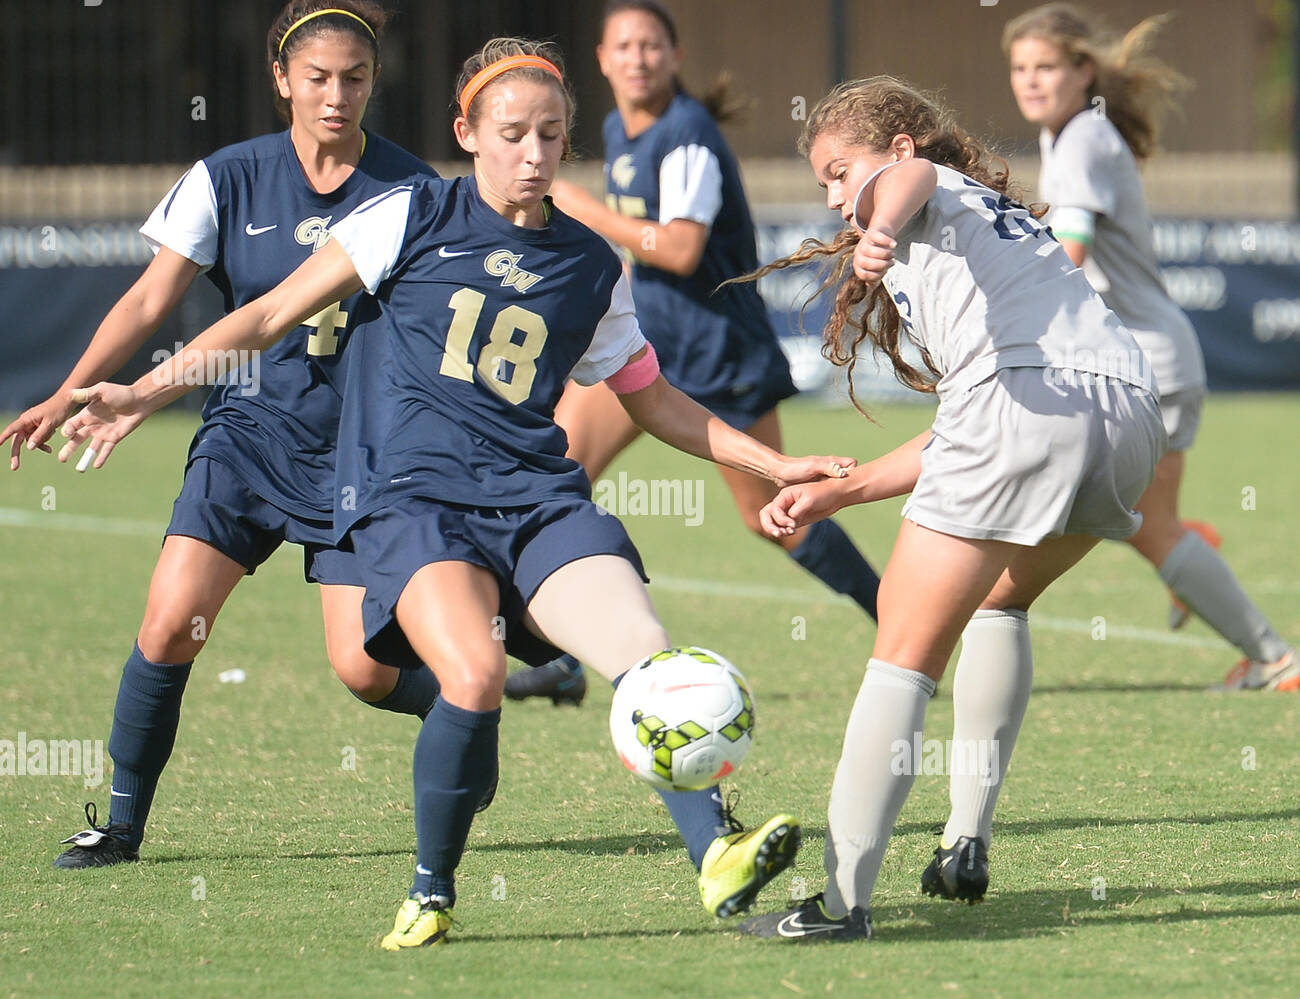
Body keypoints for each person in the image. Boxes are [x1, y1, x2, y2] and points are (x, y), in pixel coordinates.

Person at [57, 38, 857, 947]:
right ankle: (431, 892)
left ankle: (716, 855)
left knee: (649, 657)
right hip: (418, 505)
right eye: (513, 134)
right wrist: (140, 391)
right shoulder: (408, 214)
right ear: (467, 133)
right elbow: (268, 314)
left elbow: (657, 400)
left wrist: (772, 463)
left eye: (552, 136)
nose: (534, 154)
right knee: (470, 677)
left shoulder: (592, 265)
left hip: (540, 501)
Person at [0, 1, 460, 871]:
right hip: (246, 434)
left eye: (354, 78)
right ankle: (121, 825)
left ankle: (468, 702)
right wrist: (70, 394)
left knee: (364, 672)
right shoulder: (228, 177)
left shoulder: (414, 192)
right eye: (318, 78)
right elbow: (147, 301)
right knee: (172, 624)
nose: (336, 96)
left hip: (361, 453)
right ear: (281, 78)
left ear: (374, 82)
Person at [723, 75, 1165, 940]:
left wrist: (879, 223)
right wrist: (838, 491)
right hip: (1124, 416)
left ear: (894, 150)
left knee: (903, 648)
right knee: (1001, 599)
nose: (834, 196)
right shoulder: (997, 235)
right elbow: (974, 423)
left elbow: (912, 182)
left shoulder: (916, 188)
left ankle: (841, 905)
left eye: (837, 171)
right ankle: (965, 840)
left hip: (1027, 410)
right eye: (823, 184)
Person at [504, 0, 881, 707]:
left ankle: (900, 623)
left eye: (652, 45)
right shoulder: (620, 126)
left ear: (675, 58)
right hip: (647, 345)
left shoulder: (688, 138)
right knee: (549, 475)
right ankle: (554, 653)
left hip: (716, 350)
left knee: (776, 515)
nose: (638, 57)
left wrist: (588, 213)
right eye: (624, 45)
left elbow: (678, 249)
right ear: (602, 59)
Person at [1004, 3, 1297, 691]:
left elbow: (1068, 256)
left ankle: (1276, 658)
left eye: (1046, 66)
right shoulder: (1071, 134)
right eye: (1019, 69)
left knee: (1070, 513)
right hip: (1141, 362)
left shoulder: (1079, 139)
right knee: (1140, 523)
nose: (1031, 81)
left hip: (1142, 369)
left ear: (1083, 70)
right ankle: (1248, 627)